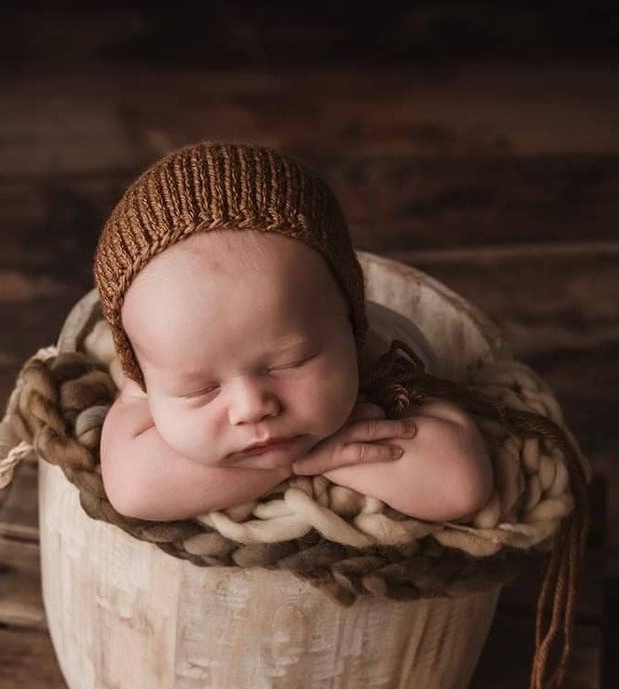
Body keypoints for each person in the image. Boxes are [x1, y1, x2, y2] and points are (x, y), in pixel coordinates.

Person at [93, 141, 493, 523]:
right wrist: (305, 461)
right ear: (142, 374)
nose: (252, 407)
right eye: (200, 390)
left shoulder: (378, 358)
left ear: (350, 323)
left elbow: (462, 485)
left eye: (290, 362)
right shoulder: (160, 363)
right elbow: (132, 489)